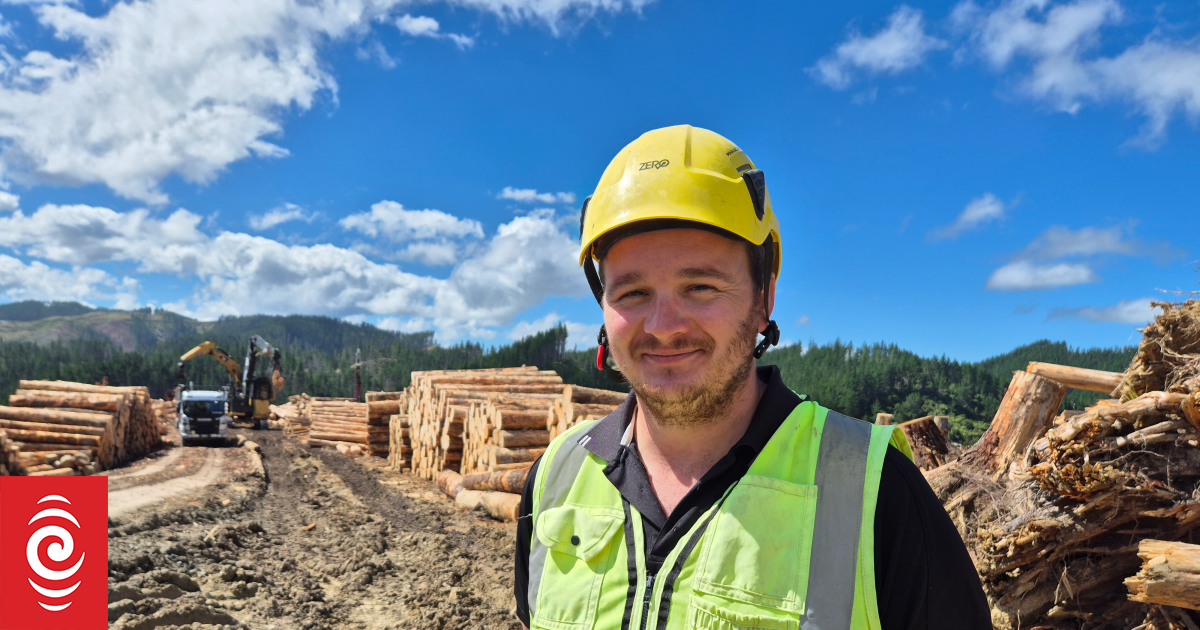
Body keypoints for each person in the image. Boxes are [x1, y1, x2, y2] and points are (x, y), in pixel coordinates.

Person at [514, 125, 991, 630]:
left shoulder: (874, 493)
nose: (663, 327)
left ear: (763, 298)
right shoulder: (555, 476)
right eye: (632, 294)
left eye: (700, 286)